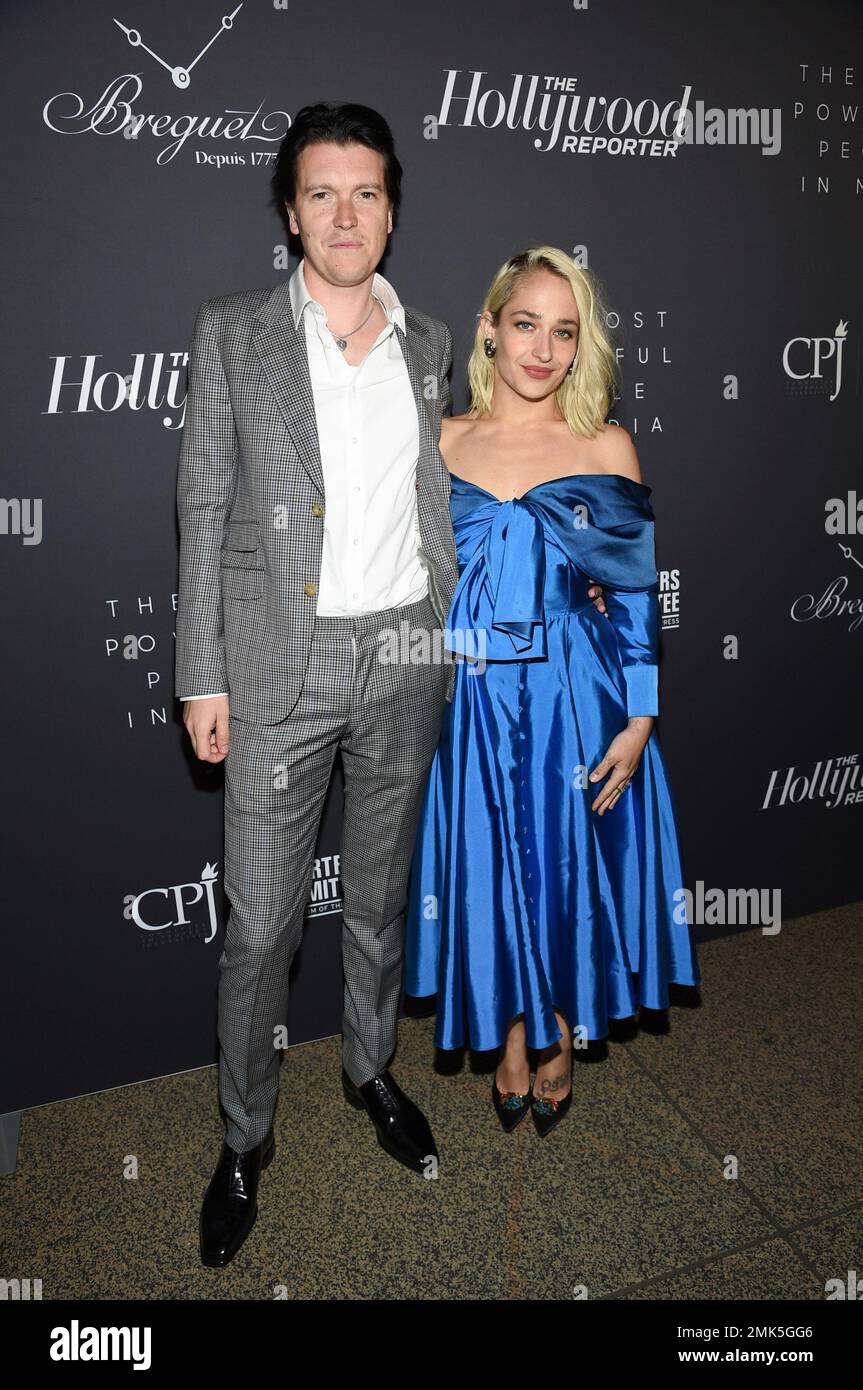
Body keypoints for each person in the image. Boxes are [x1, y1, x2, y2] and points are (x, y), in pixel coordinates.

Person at [175, 102, 462, 1267]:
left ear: (390, 213)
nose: (345, 216)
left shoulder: (429, 343)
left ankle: (368, 1069)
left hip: (405, 655)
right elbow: (202, 505)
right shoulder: (231, 331)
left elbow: (443, 495)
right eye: (321, 194)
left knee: (380, 902)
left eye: (366, 194)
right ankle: (244, 1137)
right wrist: (201, 674)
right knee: (259, 931)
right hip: (272, 669)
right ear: (291, 213)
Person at [405, 246, 701, 1138]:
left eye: (563, 332)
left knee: (566, 864)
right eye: (525, 324)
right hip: (471, 693)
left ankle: (559, 1029)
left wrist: (640, 716)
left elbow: (636, 596)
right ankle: (510, 1030)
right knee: (493, 866)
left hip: (578, 693)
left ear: (581, 346)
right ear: (489, 330)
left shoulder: (604, 445)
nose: (542, 349)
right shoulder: (438, 441)